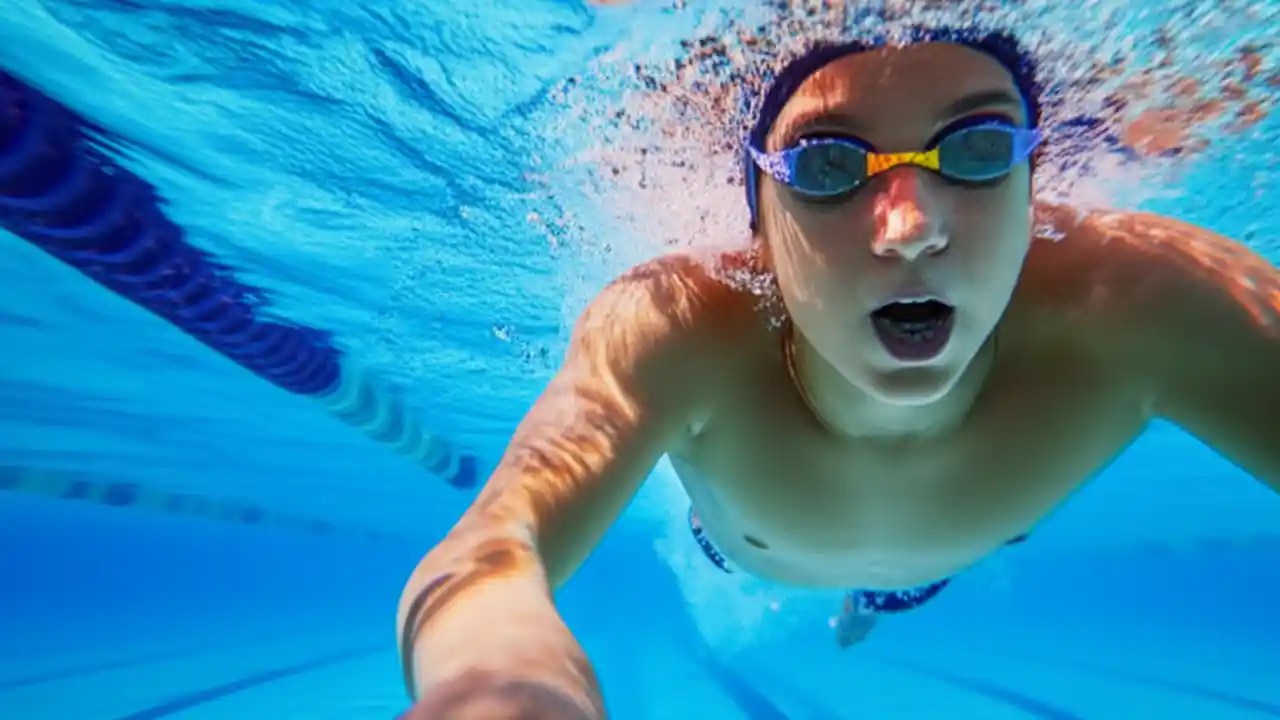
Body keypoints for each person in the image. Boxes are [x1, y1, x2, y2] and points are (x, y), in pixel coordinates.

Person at [395, 28, 1279, 719]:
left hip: (929, 561)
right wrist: (510, 683)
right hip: (746, 545)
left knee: (889, 593)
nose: (909, 230)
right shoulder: (675, 326)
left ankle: (871, 605)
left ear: (1032, 189)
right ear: (761, 227)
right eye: (827, 165)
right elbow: (492, 551)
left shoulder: (1148, 301)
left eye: (976, 149)